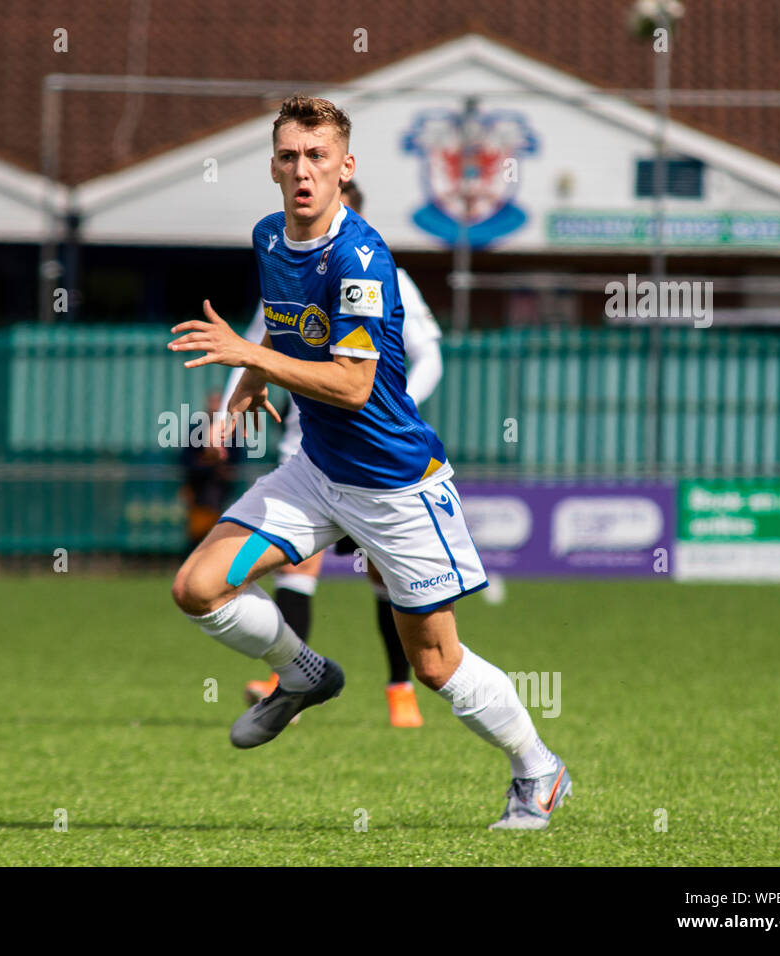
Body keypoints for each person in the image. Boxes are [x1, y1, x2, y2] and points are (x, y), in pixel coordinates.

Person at [168, 95, 569, 829]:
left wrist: (250, 356)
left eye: (318, 157)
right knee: (199, 587)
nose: (303, 172)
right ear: (273, 166)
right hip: (317, 471)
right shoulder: (268, 237)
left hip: (393, 484)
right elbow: (287, 327)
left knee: (436, 664)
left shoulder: (361, 257)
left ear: (345, 168)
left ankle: (537, 770)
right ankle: (304, 673)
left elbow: (353, 386)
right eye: (289, 157)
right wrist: (255, 381)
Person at [223, 178, 443, 728]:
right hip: (306, 447)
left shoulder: (381, 271)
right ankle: (289, 681)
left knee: (384, 578)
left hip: (370, 458)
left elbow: (428, 356)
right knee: (293, 568)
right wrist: (236, 396)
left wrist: (392, 404)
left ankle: (399, 689)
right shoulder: (286, 264)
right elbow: (258, 342)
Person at [180, 390, 246, 556]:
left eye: (219, 403)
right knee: (198, 528)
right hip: (200, 485)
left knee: (221, 525)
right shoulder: (197, 429)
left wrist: (224, 466)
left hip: (222, 486)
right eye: (213, 403)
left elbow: (237, 458)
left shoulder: (232, 430)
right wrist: (207, 462)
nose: (215, 407)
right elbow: (186, 458)